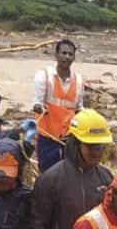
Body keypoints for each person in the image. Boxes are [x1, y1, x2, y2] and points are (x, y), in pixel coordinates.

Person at [32, 39, 85, 176]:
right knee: (47, 175)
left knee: (69, 175)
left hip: (69, 139)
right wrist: (38, 107)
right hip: (47, 137)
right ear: (56, 55)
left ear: (74, 57)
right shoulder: (43, 77)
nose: (67, 57)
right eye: (64, 53)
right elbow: (37, 102)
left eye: (70, 54)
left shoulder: (79, 81)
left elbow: (79, 109)